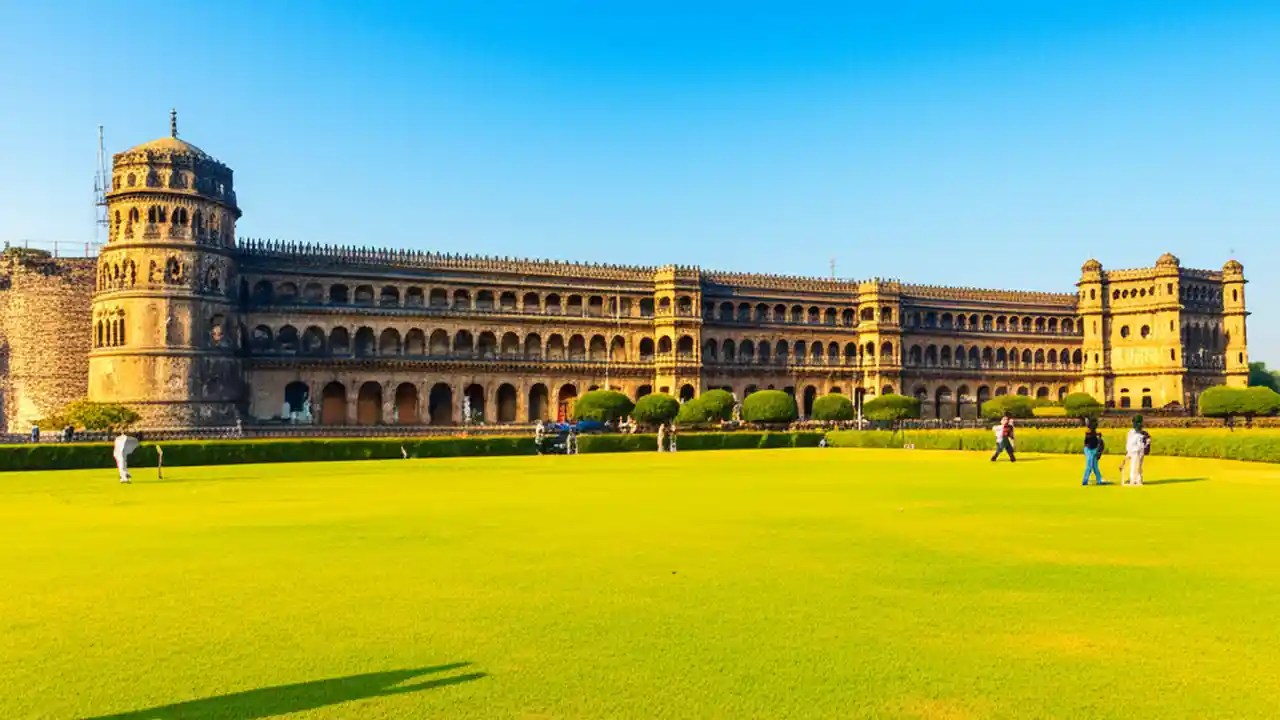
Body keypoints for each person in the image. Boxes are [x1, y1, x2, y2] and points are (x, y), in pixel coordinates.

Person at [1123, 416, 1152, 486]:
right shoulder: (1131, 432)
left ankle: (1135, 480)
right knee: (1133, 466)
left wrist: (1144, 449)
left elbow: (1147, 443)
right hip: (1132, 451)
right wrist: (1128, 453)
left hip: (1138, 452)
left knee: (1136, 466)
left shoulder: (1143, 434)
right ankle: (1135, 479)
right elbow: (1129, 443)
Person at [1081, 418, 1106, 485]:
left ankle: (1099, 480)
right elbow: (1090, 435)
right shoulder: (1088, 432)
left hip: (1094, 449)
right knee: (1089, 465)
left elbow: (1100, 444)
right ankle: (1085, 480)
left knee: (1095, 466)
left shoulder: (1094, 433)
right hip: (1088, 449)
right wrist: (1098, 435)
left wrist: (1098, 452)